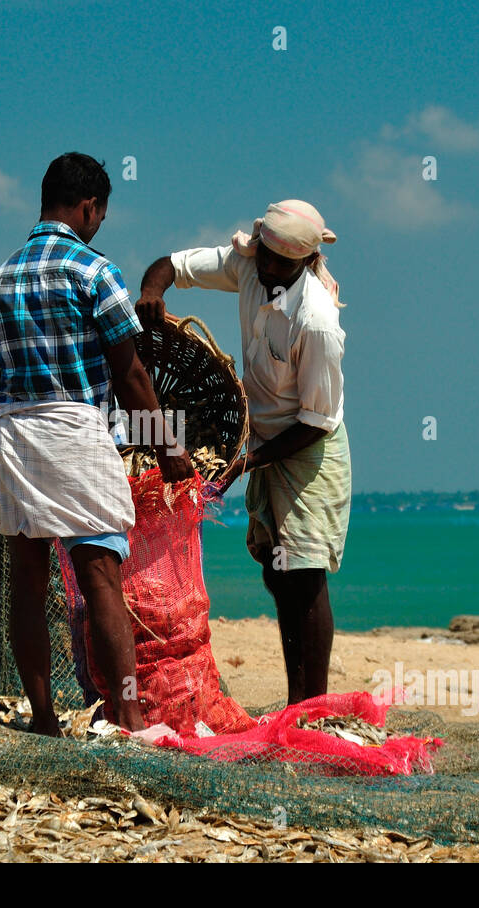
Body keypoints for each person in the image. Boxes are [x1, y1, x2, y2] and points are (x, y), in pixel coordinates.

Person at [0, 152, 194, 736]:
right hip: (74, 429)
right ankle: (129, 717)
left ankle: (43, 718)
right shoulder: (94, 272)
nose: (99, 223)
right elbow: (130, 374)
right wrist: (167, 448)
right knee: (100, 574)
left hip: (14, 431)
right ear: (88, 206)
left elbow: (0, 374)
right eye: (100, 213)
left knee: (28, 580)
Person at [136, 199, 350, 704]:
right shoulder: (249, 264)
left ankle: (313, 706)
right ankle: (297, 699)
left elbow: (318, 421)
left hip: (307, 453)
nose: (268, 268)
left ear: (305, 261)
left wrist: (247, 462)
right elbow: (171, 266)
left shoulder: (316, 321)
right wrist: (151, 293)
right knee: (277, 574)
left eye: (280, 262)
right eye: (264, 257)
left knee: (305, 575)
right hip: (261, 442)